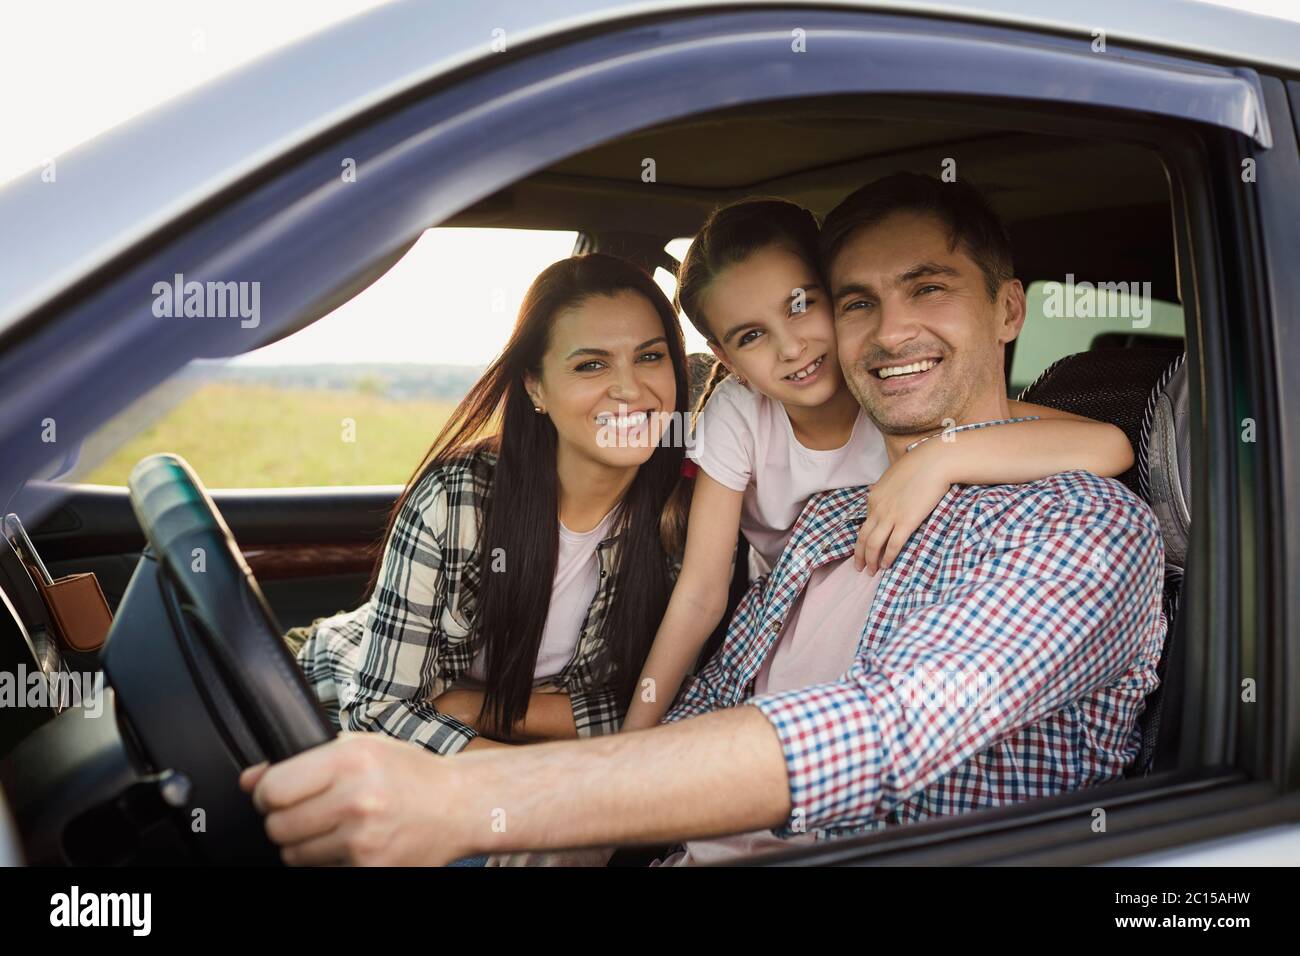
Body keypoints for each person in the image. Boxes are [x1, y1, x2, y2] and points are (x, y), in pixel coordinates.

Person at [243, 173, 1167, 866]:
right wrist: (592, 817)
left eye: (928, 288)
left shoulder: (1075, 528)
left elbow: (883, 729)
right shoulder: (825, 520)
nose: (888, 334)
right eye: (857, 304)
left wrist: (476, 795)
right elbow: (702, 688)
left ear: (1009, 309)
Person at [622, 197, 1134, 731]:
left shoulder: (895, 399)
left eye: (800, 305)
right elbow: (702, 593)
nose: (792, 346)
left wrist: (938, 458)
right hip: (780, 607)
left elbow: (1105, 444)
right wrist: (633, 741)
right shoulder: (742, 415)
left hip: (880, 597)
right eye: (752, 335)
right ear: (726, 359)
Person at [288, 253, 689, 761]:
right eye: (591, 364)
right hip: (310, 702)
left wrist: (483, 710)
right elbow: (378, 714)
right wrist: (531, 779)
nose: (631, 389)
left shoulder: (683, 512)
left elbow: (667, 706)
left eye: (650, 357)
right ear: (535, 386)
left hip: (478, 737)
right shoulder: (458, 500)